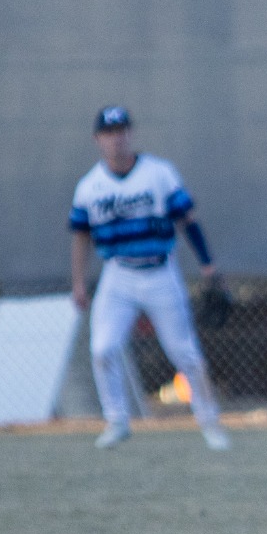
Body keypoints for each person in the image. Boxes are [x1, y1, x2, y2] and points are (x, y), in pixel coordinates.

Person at [69, 105, 230, 451]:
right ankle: (117, 420)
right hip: (118, 274)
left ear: (130, 134)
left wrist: (208, 265)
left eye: (121, 131)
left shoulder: (158, 173)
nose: (116, 139)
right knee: (103, 349)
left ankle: (210, 423)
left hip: (160, 272)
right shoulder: (90, 187)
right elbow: (81, 235)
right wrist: (79, 282)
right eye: (109, 133)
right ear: (98, 139)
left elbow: (188, 219)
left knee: (185, 354)